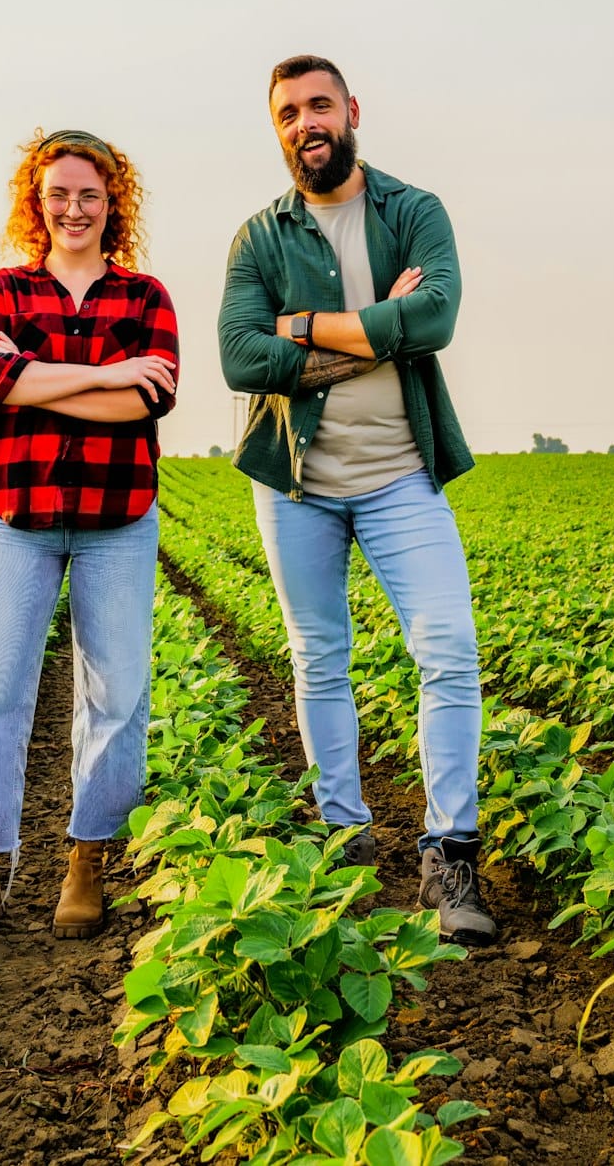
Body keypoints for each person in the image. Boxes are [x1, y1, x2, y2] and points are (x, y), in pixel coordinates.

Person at [216, 55, 495, 945]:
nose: (309, 122)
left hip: (400, 474)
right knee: (318, 656)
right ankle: (343, 839)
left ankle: (452, 852)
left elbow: (439, 318)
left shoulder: (412, 212)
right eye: (291, 111)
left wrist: (300, 327)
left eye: (321, 105)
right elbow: (238, 357)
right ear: (278, 128)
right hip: (296, 482)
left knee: (448, 646)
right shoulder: (260, 237)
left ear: (352, 111)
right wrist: (377, 333)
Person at [0, 128, 179, 943]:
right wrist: (111, 371)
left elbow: (149, 401)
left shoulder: (145, 297)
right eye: (59, 195)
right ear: (36, 204)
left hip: (119, 517)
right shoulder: (2, 286)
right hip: (18, 514)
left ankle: (88, 857)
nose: (74, 208)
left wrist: (36, 383)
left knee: (116, 696)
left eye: (90, 194)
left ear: (114, 204)